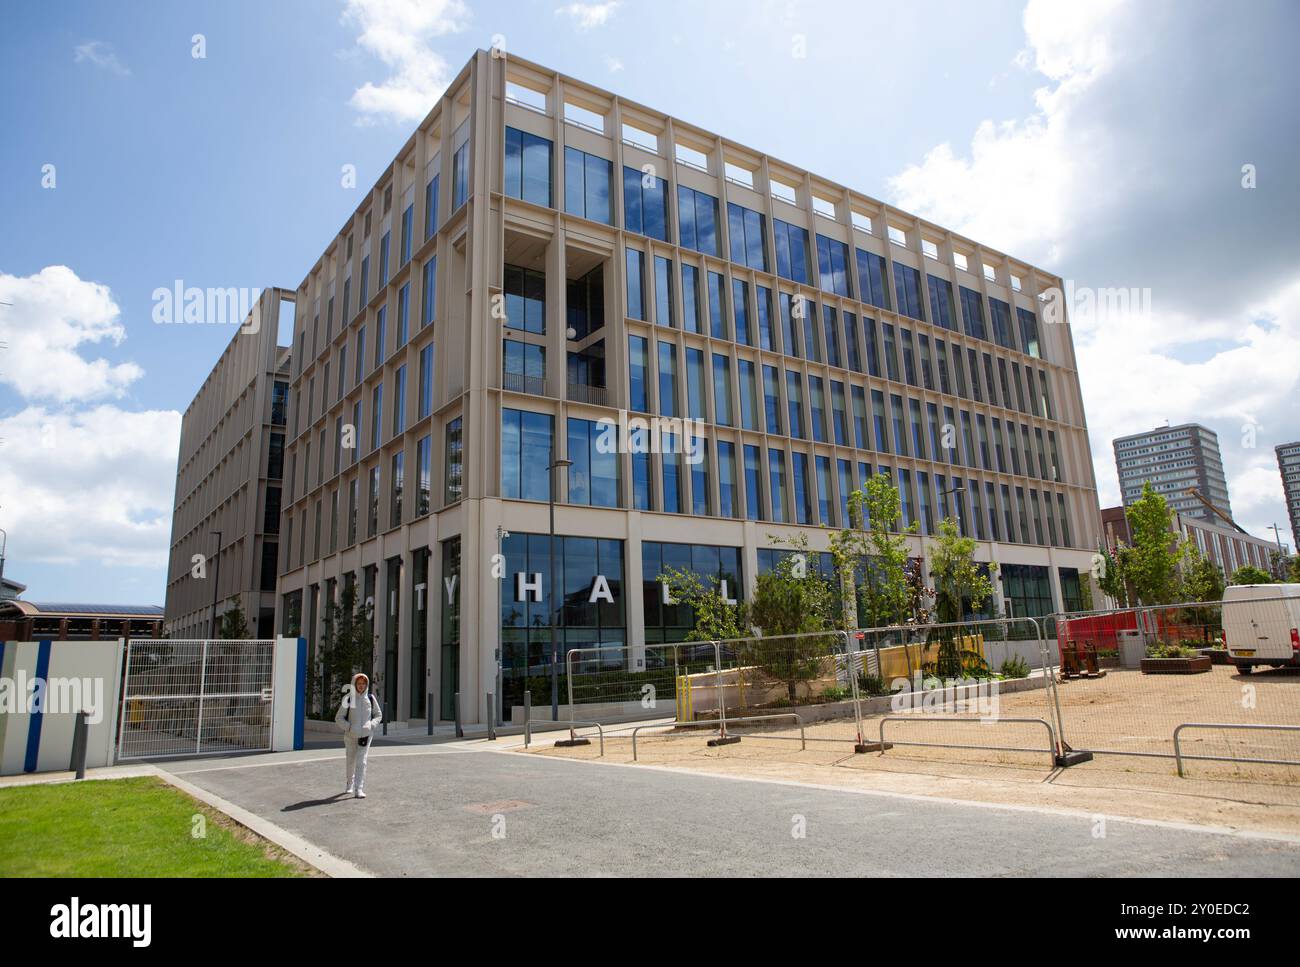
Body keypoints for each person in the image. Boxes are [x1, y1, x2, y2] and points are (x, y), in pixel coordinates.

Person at [335, 672, 382, 798]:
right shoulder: (348, 699)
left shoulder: (371, 699)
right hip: (350, 736)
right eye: (359, 684)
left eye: (363, 684)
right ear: (354, 684)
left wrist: (371, 725)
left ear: (366, 685)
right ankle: (349, 783)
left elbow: (378, 715)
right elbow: (339, 718)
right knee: (351, 761)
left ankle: (359, 789)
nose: (361, 686)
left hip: (366, 735)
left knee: (362, 761)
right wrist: (349, 727)